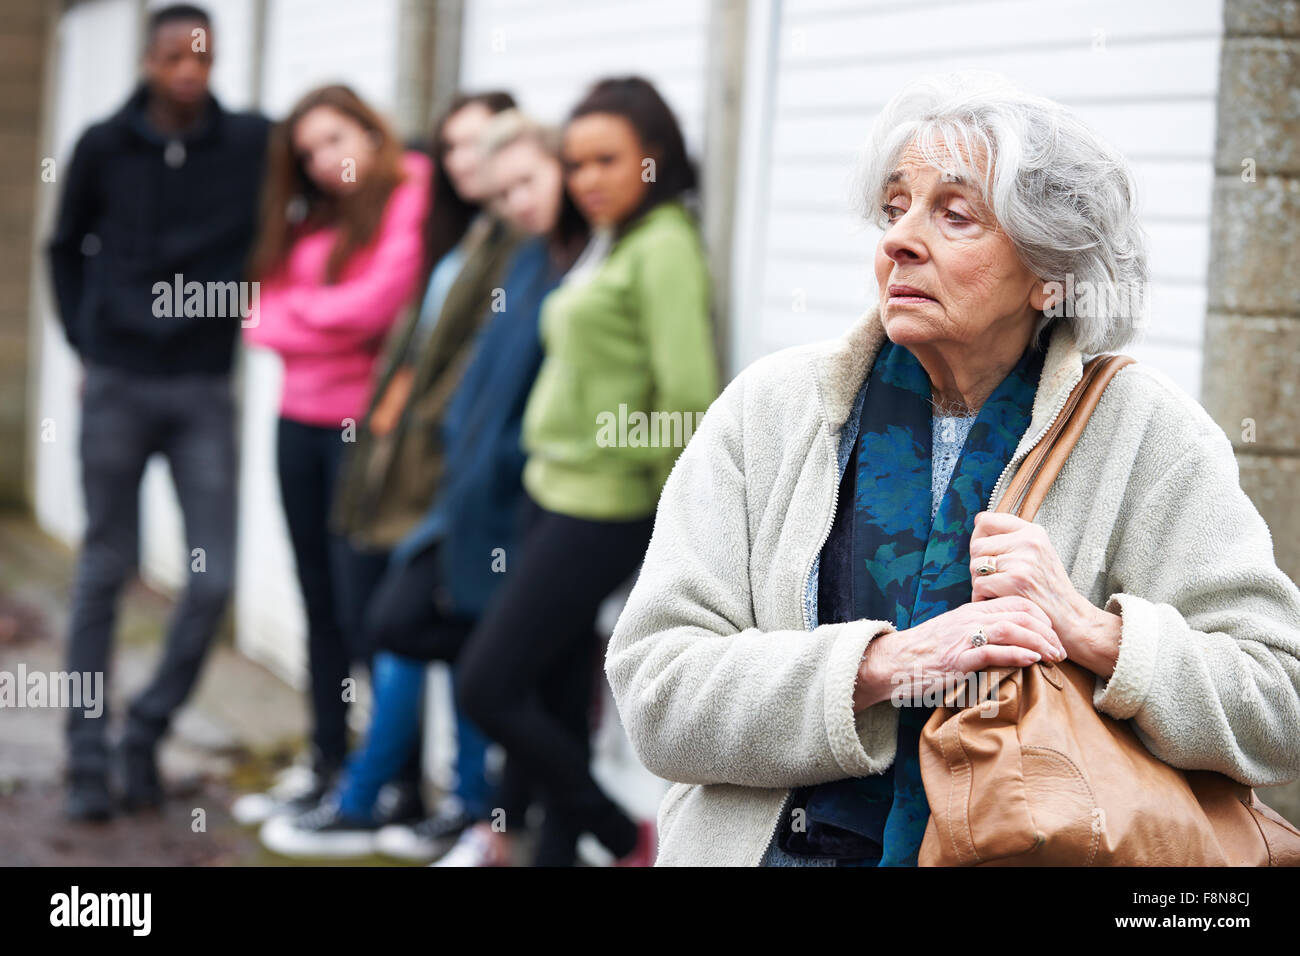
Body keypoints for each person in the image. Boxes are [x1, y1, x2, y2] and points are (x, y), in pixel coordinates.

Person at [604, 70, 1300, 867]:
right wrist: (876, 668)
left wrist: (1098, 634)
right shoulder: (772, 411)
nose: (899, 239)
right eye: (894, 208)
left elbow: (1281, 703)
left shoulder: (1148, 435)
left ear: (1051, 272)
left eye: (955, 214)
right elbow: (655, 686)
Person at [257, 108, 584, 862]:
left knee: (445, 637)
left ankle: (456, 807)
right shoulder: (476, 237)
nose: (466, 163)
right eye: (454, 147)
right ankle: (399, 792)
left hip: (472, 483)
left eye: (484, 149)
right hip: (421, 465)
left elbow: (436, 352)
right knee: (399, 624)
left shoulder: (524, 250)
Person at [454, 77, 721, 866]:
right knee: (557, 696)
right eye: (575, 163)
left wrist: (606, 444)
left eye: (608, 160)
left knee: (488, 685)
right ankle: (558, 854)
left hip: (600, 508)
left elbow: (691, 408)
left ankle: (617, 831)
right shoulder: (613, 238)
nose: (588, 179)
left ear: (655, 158)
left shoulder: (665, 243)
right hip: (549, 495)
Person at [46, 3, 270, 821]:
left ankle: (145, 734)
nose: (188, 69)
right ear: (149, 60)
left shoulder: (251, 143)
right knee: (105, 570)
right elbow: (63, 249)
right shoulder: (104, 145)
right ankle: (85, 759)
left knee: (213, 579)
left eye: (202, 57)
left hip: (204, 390)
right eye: (174, 55)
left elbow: (339, 167)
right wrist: (88, 345)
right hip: (119, 384)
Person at [241, 84, 431, 817]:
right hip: (297, 424)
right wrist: (316, 319)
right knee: (317, 599)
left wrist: (302, 315)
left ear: (370, 129)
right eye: (310, 152)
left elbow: (379, 304)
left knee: (367, 612)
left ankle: (398, 785)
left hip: (364, 433)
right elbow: (256, 316)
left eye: (335, 140)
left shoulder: (408, 188)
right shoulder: (309, 215)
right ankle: (326, 759)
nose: (325, 161)